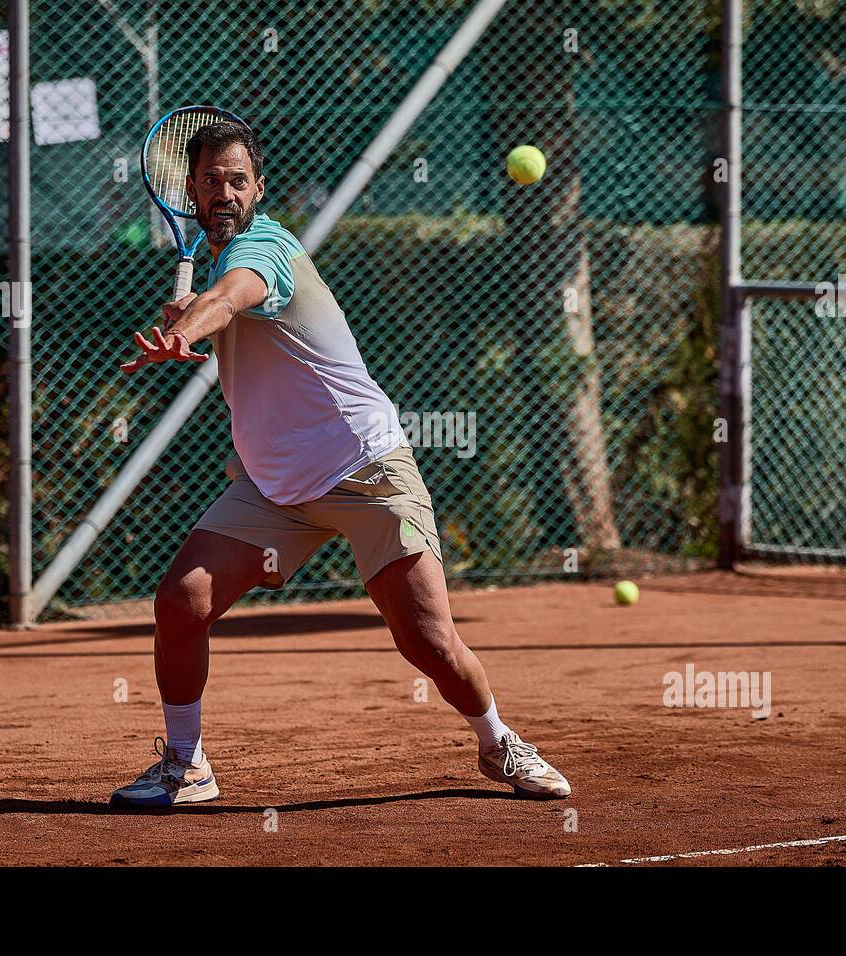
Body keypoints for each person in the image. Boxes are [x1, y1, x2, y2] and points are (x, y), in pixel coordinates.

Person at [111, 119, 569, 807]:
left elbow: (234, 295)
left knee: (429, 643)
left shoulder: (266, 246)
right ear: (191, 192)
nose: (225, 191)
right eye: (210, 180)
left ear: (258, 188)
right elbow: (223, 304)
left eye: (239, 179)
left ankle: (499, 742)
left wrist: (188, 324)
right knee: (182, 601)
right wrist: (197, 316)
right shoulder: (216, 262)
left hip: (366, 471)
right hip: (277, 489)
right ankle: (186, 765)